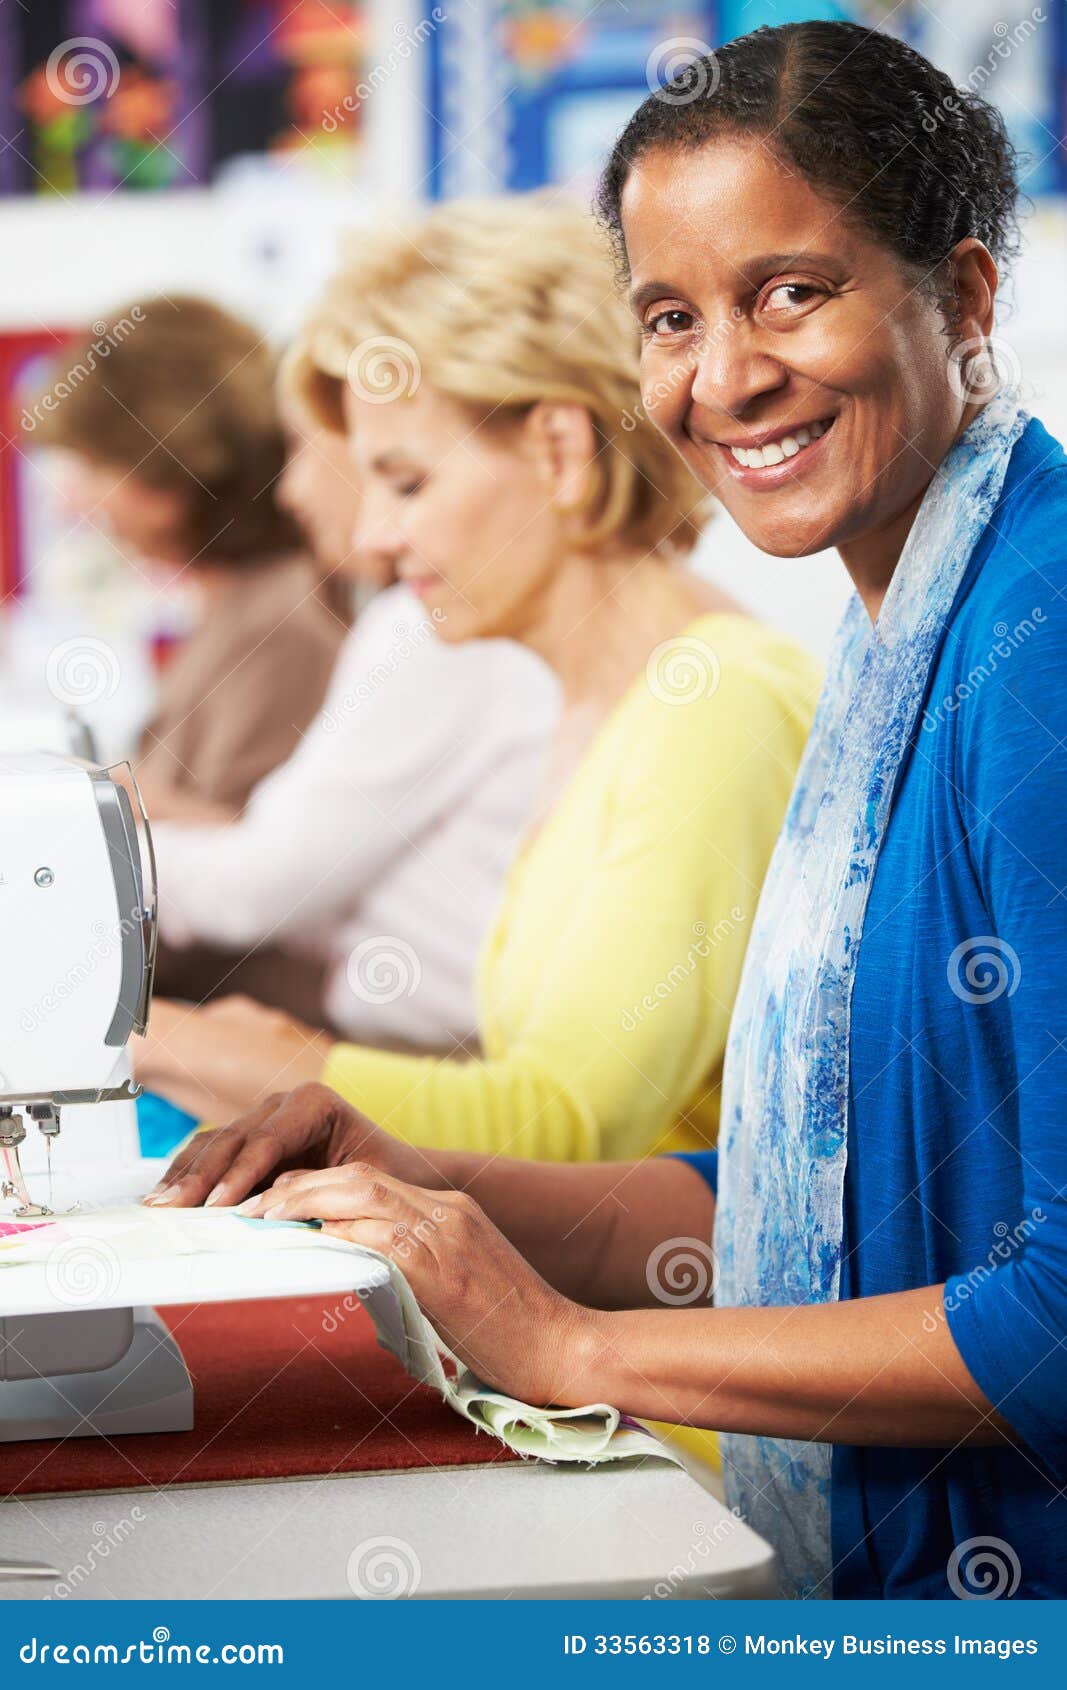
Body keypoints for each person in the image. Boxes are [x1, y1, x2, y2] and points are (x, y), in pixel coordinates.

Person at [147, 25, 1067, 1599]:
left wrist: (571, 1342)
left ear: (964, 299)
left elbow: (1051, 1315)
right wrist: (438, 1178)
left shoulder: (1032, 644)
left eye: (791, 290)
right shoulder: (895, 633)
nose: (722, 376)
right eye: (668, 316)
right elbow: (805, 1196)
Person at [137, 196, 820, 1160]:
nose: (375, 537)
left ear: (559, 449)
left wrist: (165, 1039)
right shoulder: (593, 700)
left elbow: (561, 1129)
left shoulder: (713, 701)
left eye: (408, 482)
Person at [142, 379, 559, 1062]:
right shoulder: (428, 622)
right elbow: (306, 862)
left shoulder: (434, 629)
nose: (290, 491)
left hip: (448, 1065)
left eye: (306, 446)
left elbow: (262, 889)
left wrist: (90, 858)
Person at [37, 294, 346, 1020]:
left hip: (256, 1047)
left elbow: (255, 881)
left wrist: (88, 816)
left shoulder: (282, 631)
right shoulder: (238, 612)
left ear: (166, 480)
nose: (72, 502)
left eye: (91, 465)